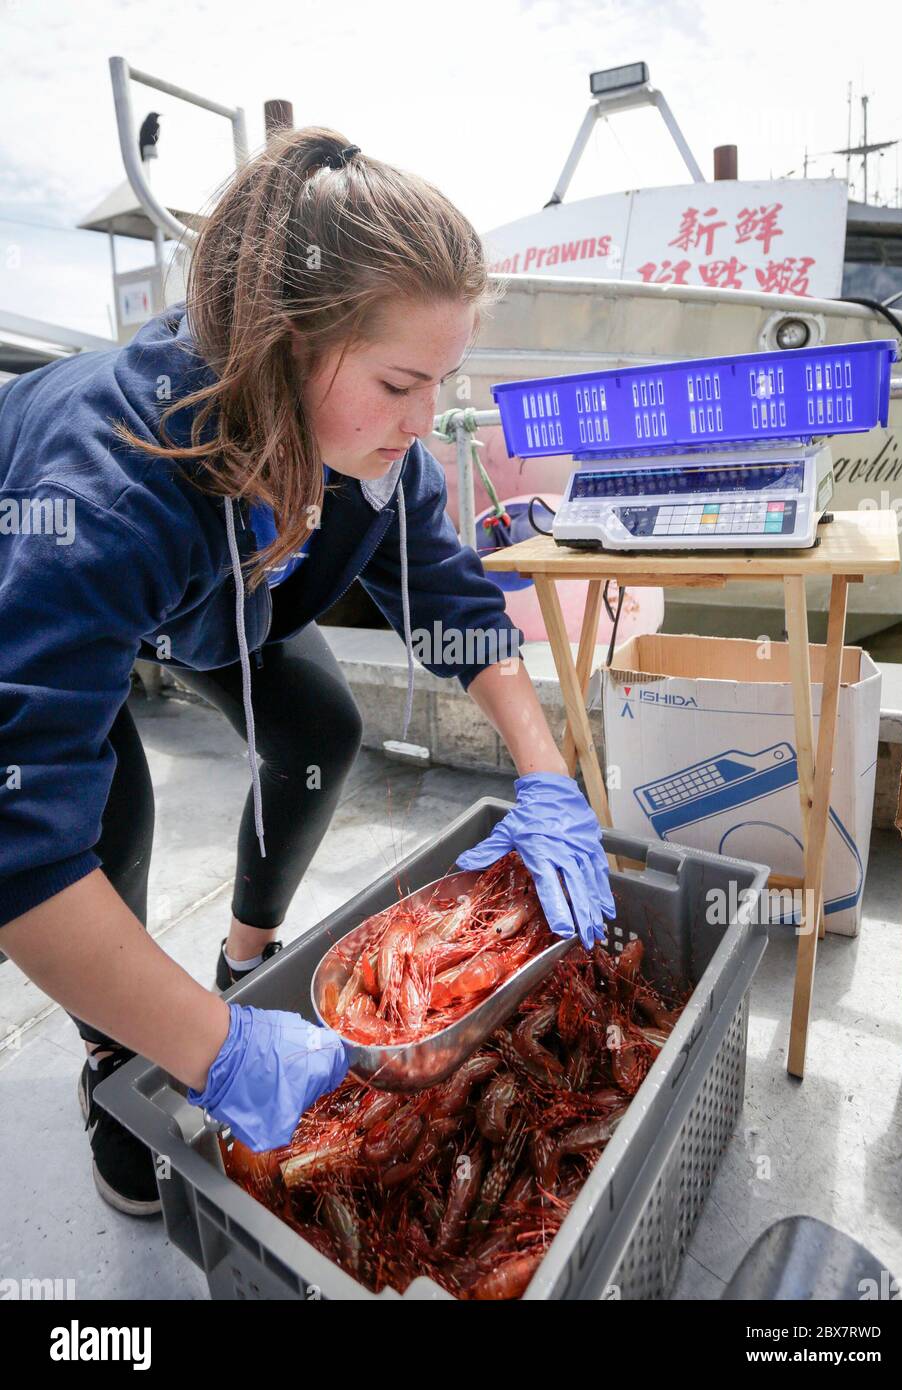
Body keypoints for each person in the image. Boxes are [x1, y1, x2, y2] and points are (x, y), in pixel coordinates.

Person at [0, 129, 615, 1219]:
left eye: (444, 382)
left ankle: (246, 955)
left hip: (231, 598)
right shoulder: (109, 489)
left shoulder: (381, 458)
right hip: (46, 578)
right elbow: (18, 856)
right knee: (99, 804)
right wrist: (218, 1051)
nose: (427, 421)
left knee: (321, 734)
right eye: (398, 382)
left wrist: (547, 778)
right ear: (286, 346)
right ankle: (119, 1057)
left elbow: (462, 612)